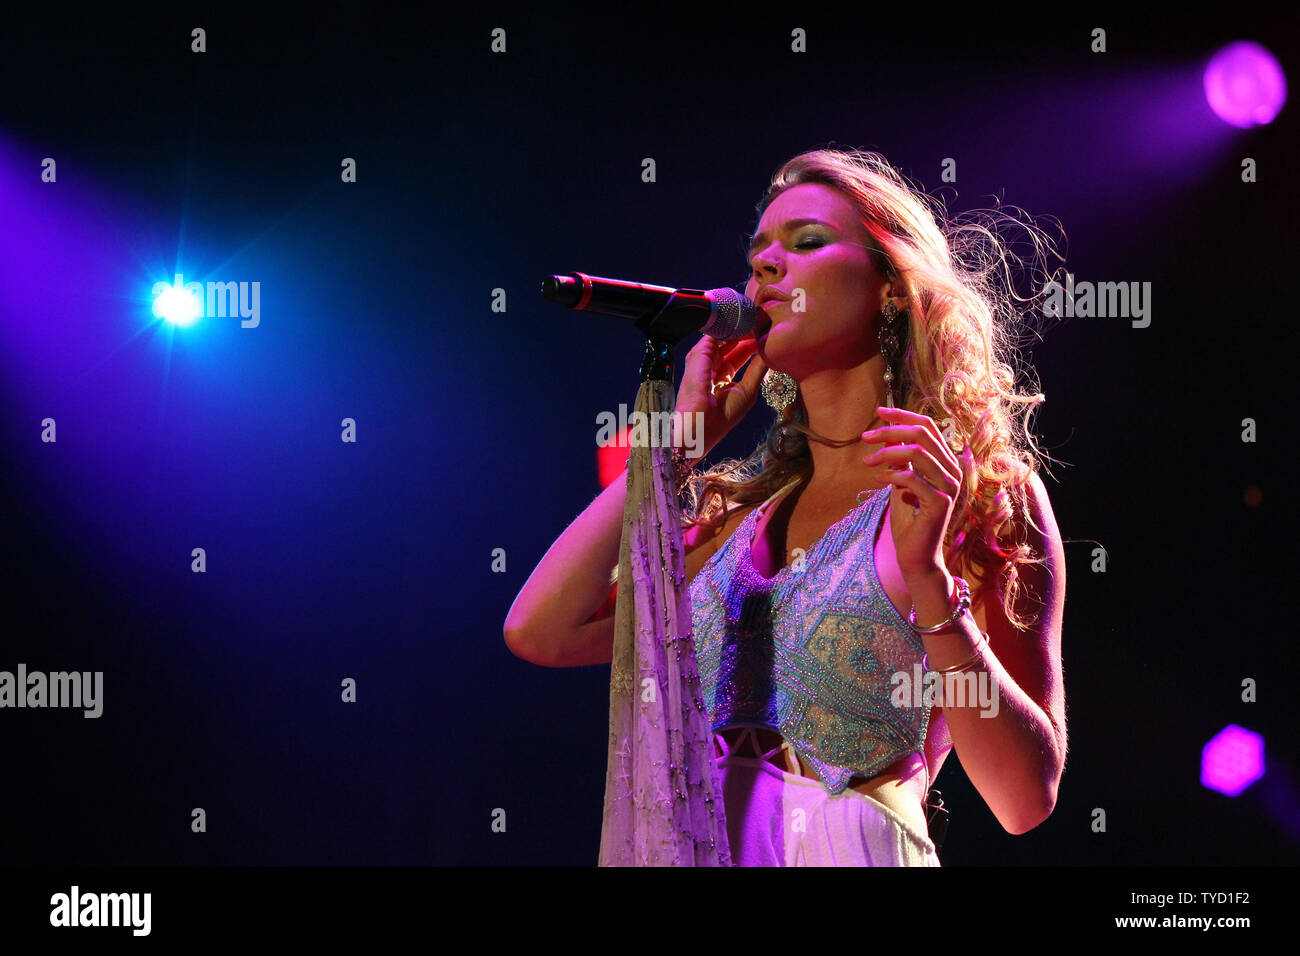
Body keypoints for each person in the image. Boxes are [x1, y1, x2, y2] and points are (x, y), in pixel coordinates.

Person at [505, 148, 1067, 866]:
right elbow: (540, 630)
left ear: (891, 286)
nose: (766, 267)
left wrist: (930, 582)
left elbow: (1025, 798)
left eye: (805, 242)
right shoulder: (734, 515)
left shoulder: (971, 492)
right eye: (758, 253)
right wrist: (678, 447)